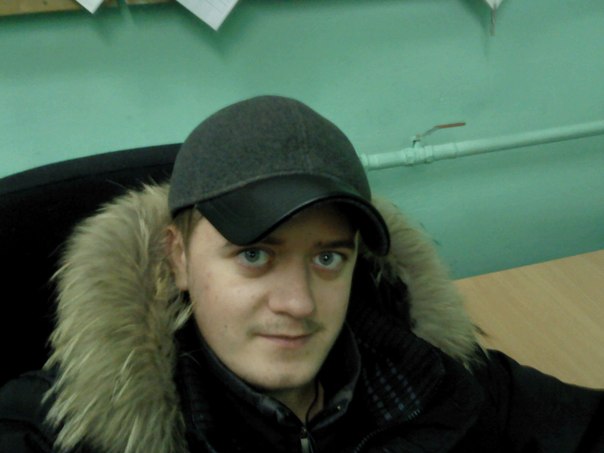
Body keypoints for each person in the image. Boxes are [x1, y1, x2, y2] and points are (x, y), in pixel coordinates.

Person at [0, 95, 602, 453]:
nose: (298, 304)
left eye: (327, 258)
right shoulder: (60, 426)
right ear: (178, 257)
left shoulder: (433, 378)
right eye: (255, 256)